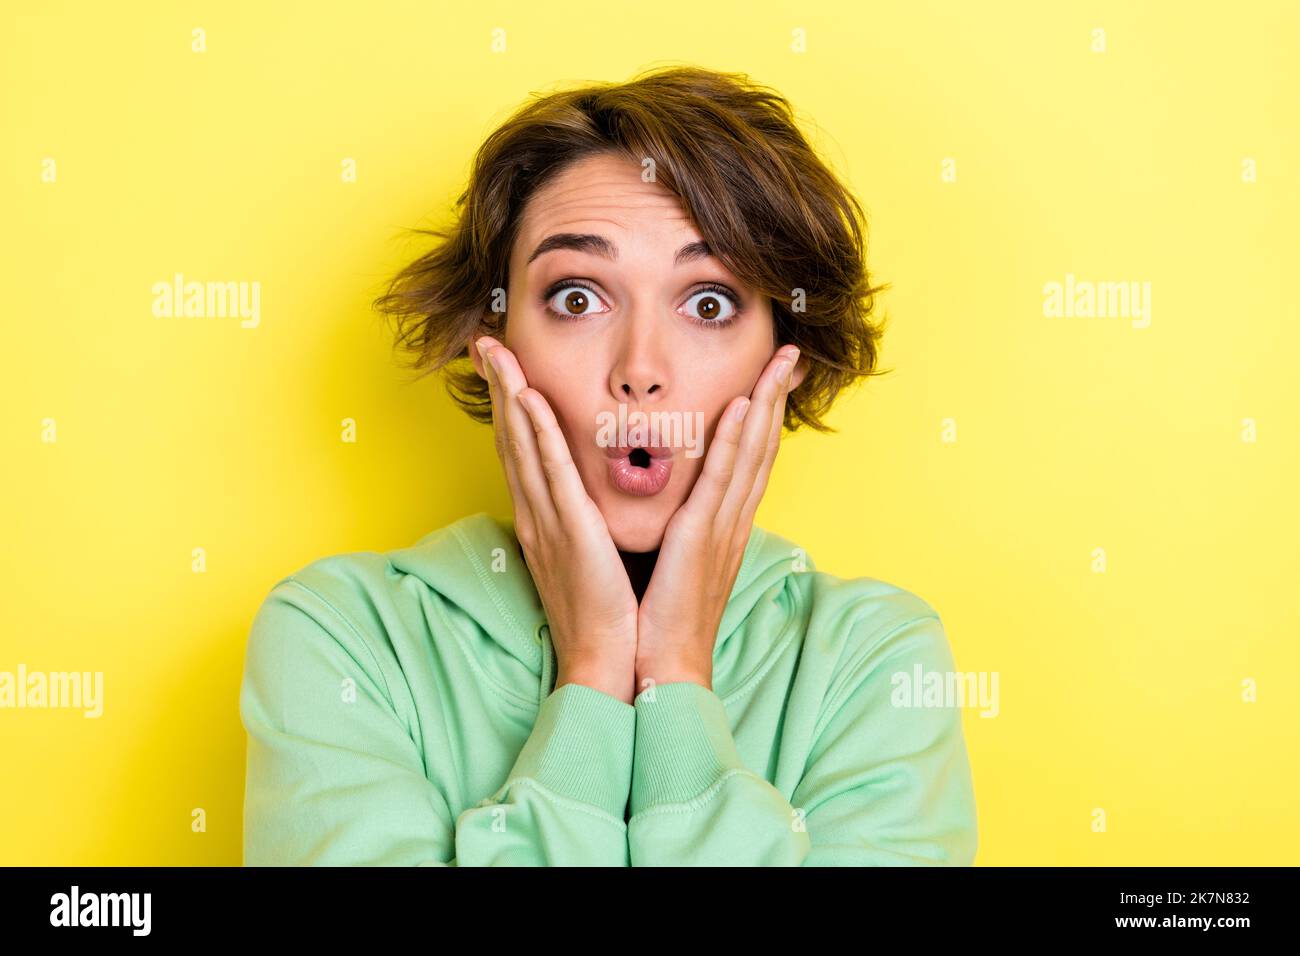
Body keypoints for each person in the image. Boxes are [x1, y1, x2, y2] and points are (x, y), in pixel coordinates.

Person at [239, 65, 978, 866]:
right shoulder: (344, 639)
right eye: (578, 297)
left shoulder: (872, 660)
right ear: (493, 345)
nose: (640, 370)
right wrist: (593, 671)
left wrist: (677, 679)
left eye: (709, 303)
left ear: (784, 363)